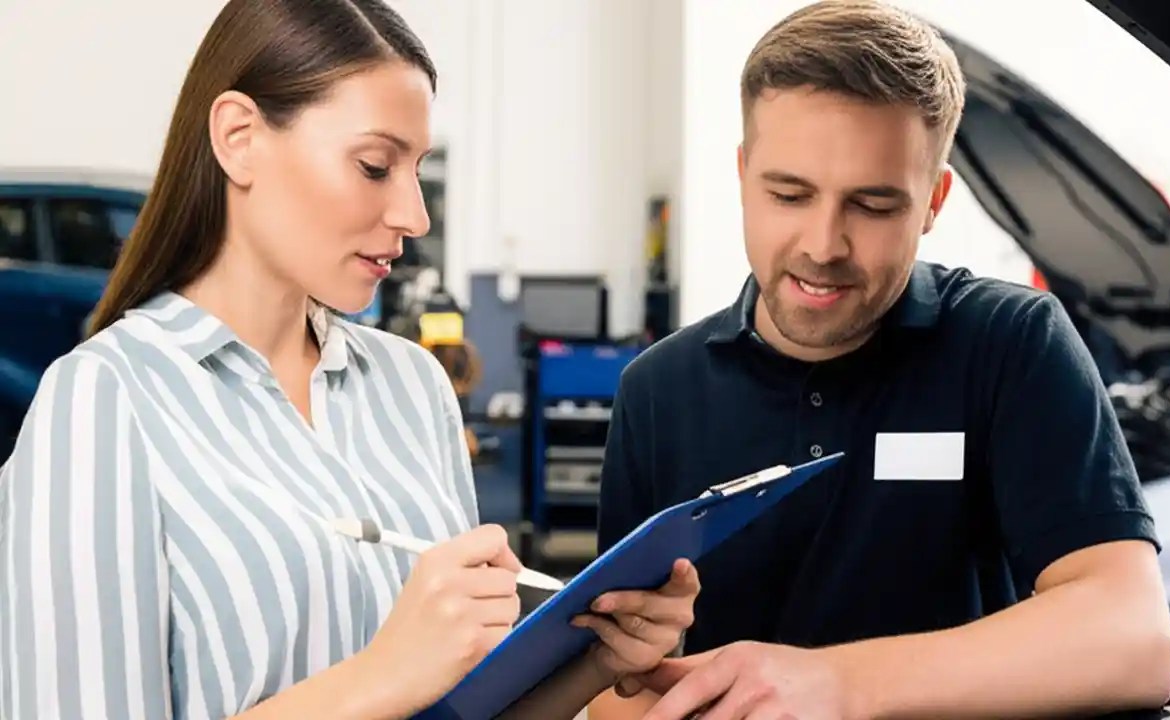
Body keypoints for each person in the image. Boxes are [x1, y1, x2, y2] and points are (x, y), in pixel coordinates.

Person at [0, 1, 698, 718]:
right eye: (374, 165)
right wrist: (385, 673)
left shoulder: (413, 387)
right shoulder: (103, 402)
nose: (415, 215)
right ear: (239, 138)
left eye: (417, 168)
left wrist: (597, 660)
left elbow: (465, 709)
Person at [590, 1, 1170, 718]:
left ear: (933, 200)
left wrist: (837, 684)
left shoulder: (1010, 343)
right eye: (789, 193)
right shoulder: (658, 389)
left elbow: (1130, 636)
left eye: (872, 204)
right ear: (743, 175)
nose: (825, 244)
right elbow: (618, 683)